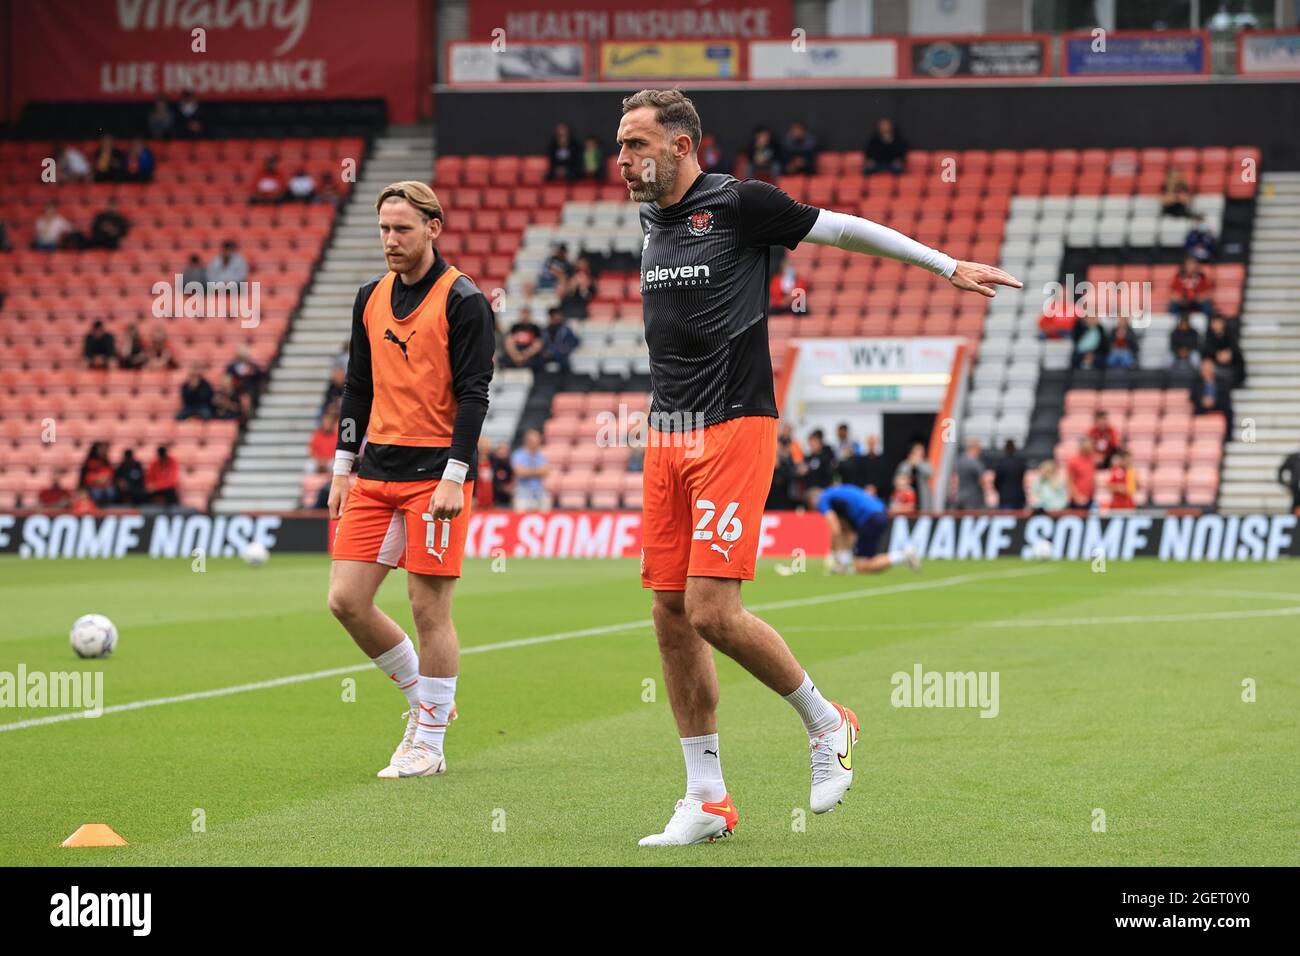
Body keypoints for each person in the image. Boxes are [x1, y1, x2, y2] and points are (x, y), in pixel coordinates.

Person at [616, 88, 1018, 845]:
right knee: (670, 617)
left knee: (709, 610)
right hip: (665, 433)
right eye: (620, 143)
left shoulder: (739, 203)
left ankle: (827, 722)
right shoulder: (652, 218)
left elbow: (844, 231)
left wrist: (943, 265)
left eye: (636, 143)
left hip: (734, 424)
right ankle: (707, 798)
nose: (623, 157)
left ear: (681, 144)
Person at [327, 180, 495, 780]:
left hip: (435, 475)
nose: (390, 240)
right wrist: (343, 465)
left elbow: (475, 394)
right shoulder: (369, 298)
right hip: (375, 474)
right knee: (345, 601)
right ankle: (426, 704)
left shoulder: (464, 299)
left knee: (428, 609)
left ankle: (428, 742)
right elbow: (356, 387)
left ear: (433, 228)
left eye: (402, 228)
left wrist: (457, 474)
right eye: (383, 229)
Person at [817, 482, 920, 576]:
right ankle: (843, 563)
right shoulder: (841, 493)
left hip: (870, 518)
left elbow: (835, 529)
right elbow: (847, 531)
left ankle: (903, 555)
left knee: (862, 566)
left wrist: (832, 552)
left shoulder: (823, 499)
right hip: (880, 514)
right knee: (852, 540)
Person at [509, 428, 550, 512]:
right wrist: (537, 472)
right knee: (520, 515)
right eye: (535, 440)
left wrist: (528, 471)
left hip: (539, 490)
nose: (538, 442)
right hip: (523, 491)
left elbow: (546, 472)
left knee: (546, 506)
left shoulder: (540, 455)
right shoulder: (518, 454)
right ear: (528, 440)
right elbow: (520, 472)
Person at [1191, 356, 1232, 430]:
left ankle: (1227, 436)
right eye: (1205, 368)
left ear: (1213, 369)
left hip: (1218, 405)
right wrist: (1202, 400)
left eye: (1209, 367)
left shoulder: (1221, 381)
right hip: (1202, 407)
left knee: (1229, 410)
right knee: (1195, 410)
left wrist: (1214, 401)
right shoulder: (1197, 382)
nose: (1207, 370)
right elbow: (1192, 397)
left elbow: (1226, 396)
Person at [800, 428, 837, 508]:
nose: (812, 445)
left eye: (814, 442)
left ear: (820, 444)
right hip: (809, 492)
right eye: (810, 443)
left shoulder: (826, 458)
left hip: (822, 491)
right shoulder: (807, 458)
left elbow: (829, 475)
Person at [895, 440, 934, 511]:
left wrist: (918, 464)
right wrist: (910, 464)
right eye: (917, 450)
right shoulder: (905, 464)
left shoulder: (925, 463)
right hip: (907, 495)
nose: (920, 452)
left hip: (922, 495)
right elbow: (899, 478)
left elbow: (930, 473)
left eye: (921, 450)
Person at [540, 306, 580, 372]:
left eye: (559, 315)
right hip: (546, 355)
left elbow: (574, 341)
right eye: (555, 315)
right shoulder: (544, 330)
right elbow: (541, 343)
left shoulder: (565, 330)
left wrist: (566, 347)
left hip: (560, 355)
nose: (557, 317)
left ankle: (565, 381)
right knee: (537, 362)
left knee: (564, 363)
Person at [953, 438, 990, 510]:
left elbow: (955, 478)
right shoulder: (976, 463)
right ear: (975, 448)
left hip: (961, 497)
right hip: (974, 499)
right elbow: (982, 481)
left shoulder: (959, 460)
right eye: (979, 448)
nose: (981, 451)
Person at [994, 440, 1027, 510]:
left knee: (1006, 519)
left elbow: (997, 482)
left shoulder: (1001, 463)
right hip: (1018, 496)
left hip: (1005, 497)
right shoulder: (1020, 463)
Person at [79, 442, 115, 506]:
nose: (103, 451)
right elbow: (87, 477)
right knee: (97, 492)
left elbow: (110, 474)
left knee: (110, 491)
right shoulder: (90, 463)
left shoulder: (107, 463)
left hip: (105, 486)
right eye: (101, 449)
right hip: (93, 486)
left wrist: (105, 479)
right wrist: (96, 479)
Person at [1066, 437, 1097, 510]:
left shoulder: (1091, 459)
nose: (1091, 449)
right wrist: (1077, 496)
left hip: (1089, 498)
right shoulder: (1073, 460)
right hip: (1077, 500)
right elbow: (1069, 481)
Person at [489, 441, 515, 507]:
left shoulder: (510, 464)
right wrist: (502, 487)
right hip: (494, 497)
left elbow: (514, 477)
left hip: (507, 498)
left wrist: (510, 486)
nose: (502, 453)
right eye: (500, 450)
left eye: (504, 451)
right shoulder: (492, 463)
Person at [1278, 449, 1300, 513]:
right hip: (1296, 490)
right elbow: (1281, 469)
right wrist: (1284, 483)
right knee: (1295, 508)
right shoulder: (1293, 458)